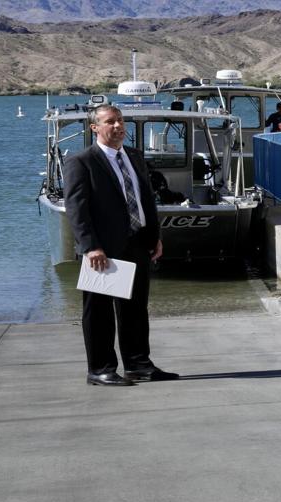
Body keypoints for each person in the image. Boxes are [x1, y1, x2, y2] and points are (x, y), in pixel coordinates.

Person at [64, 104, 170, 386]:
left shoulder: (134, 156)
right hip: (102, 249)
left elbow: (145, 199)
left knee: (135, 309)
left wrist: (154, 236)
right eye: (110, 121)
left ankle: (138, 365)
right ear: (95, 128)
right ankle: (100, 369)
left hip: (138, 242)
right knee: (98, 312)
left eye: (120, 120)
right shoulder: (82, 161)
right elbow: (77, 209)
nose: (117, 126)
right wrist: (90, 246)